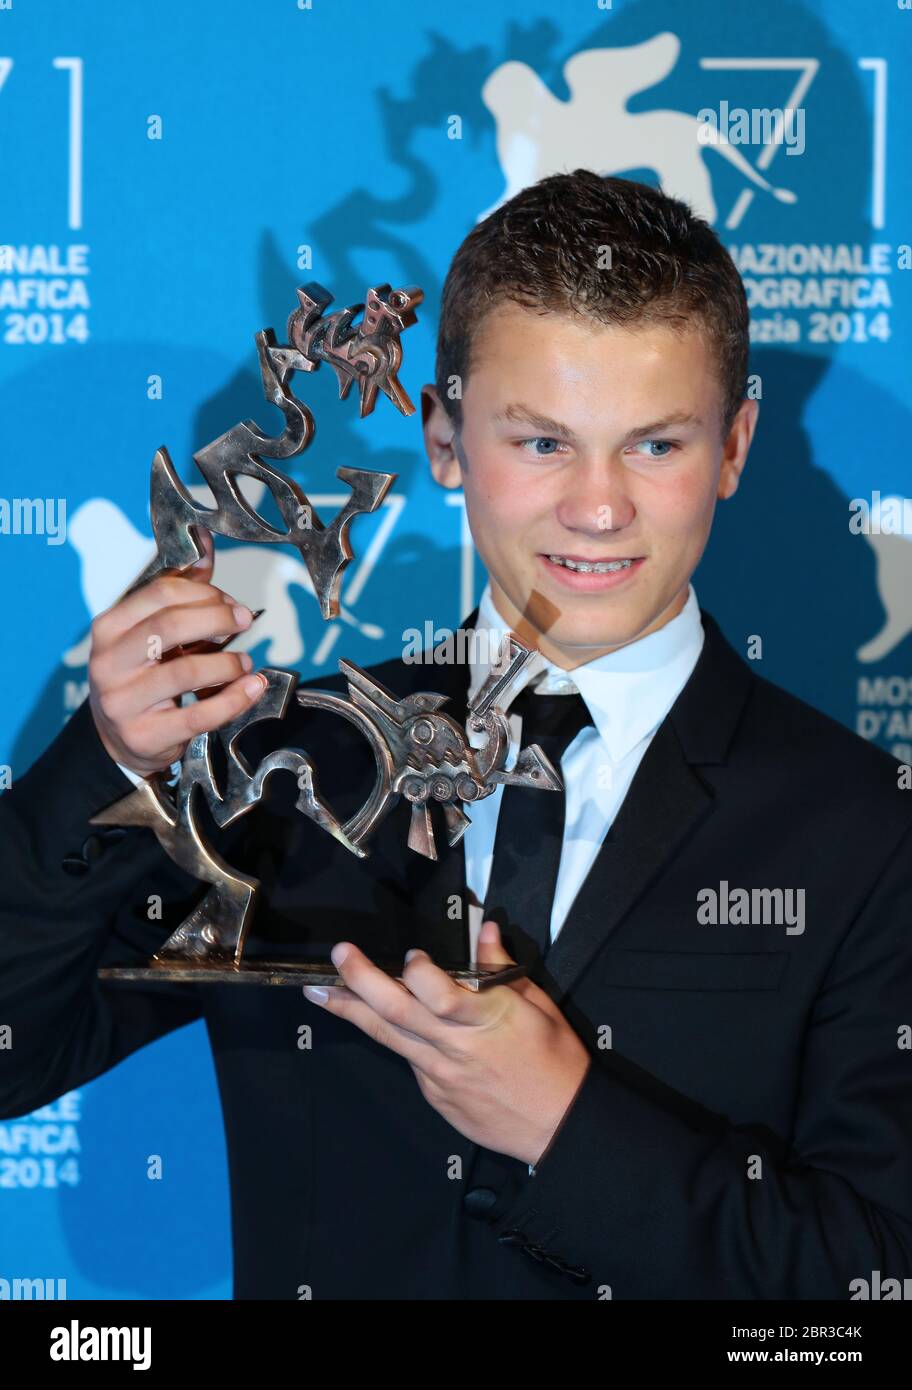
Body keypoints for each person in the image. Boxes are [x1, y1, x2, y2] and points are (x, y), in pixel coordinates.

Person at [2, 171, 911, 1300]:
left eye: (656, 445)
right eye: (539, 443)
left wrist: (569, 1130)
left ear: (734, 448)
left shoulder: (868, 829)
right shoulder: (286, 762)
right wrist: (107, 762)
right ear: (441, 437)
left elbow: (879, 1280)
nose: (597, 506)